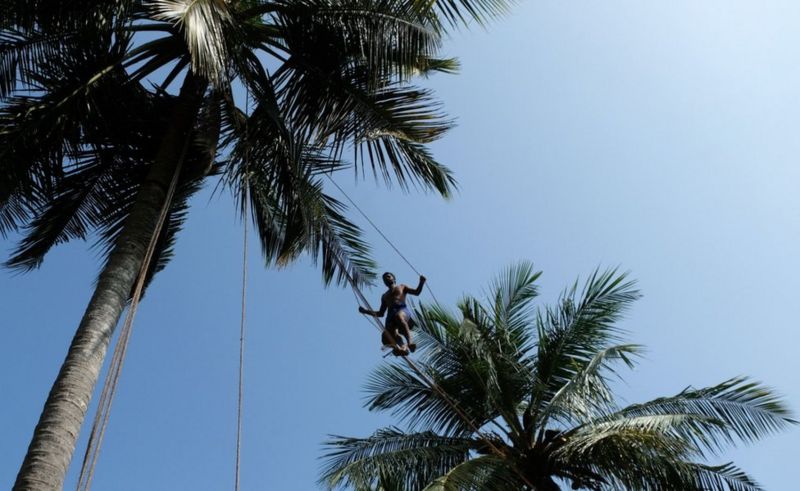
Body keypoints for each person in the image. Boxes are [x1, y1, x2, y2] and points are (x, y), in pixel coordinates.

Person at [359, 272, 426, 356]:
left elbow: (416, 292)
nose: (386, 279)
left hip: (401, 309)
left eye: (388, 276)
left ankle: (410, 342)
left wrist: (421, 282)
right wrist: (365, 311)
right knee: (385, 336)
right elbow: (380, 313)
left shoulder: (402, 287)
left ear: (394, 278)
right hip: (390, 315)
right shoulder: (384, 296)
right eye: (384, 279)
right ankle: (402, 348)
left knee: (399, 317)